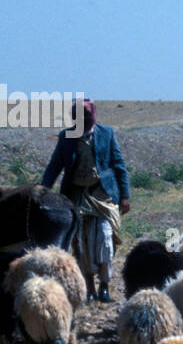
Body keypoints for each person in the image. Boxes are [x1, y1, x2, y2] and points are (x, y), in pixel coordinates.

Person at [41, 99, 130, 302]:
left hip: (103, 196)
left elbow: (119, 166)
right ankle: (89, 288)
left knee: (105, 240)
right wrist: (42, 190)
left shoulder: (107, 133)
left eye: (87, 115)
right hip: (76, 197)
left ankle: (105, 286)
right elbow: (54, 166)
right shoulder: (66, 137)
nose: (84, 119)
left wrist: (125, 196)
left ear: (94, 115)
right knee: (82, 243)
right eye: (79, 116)